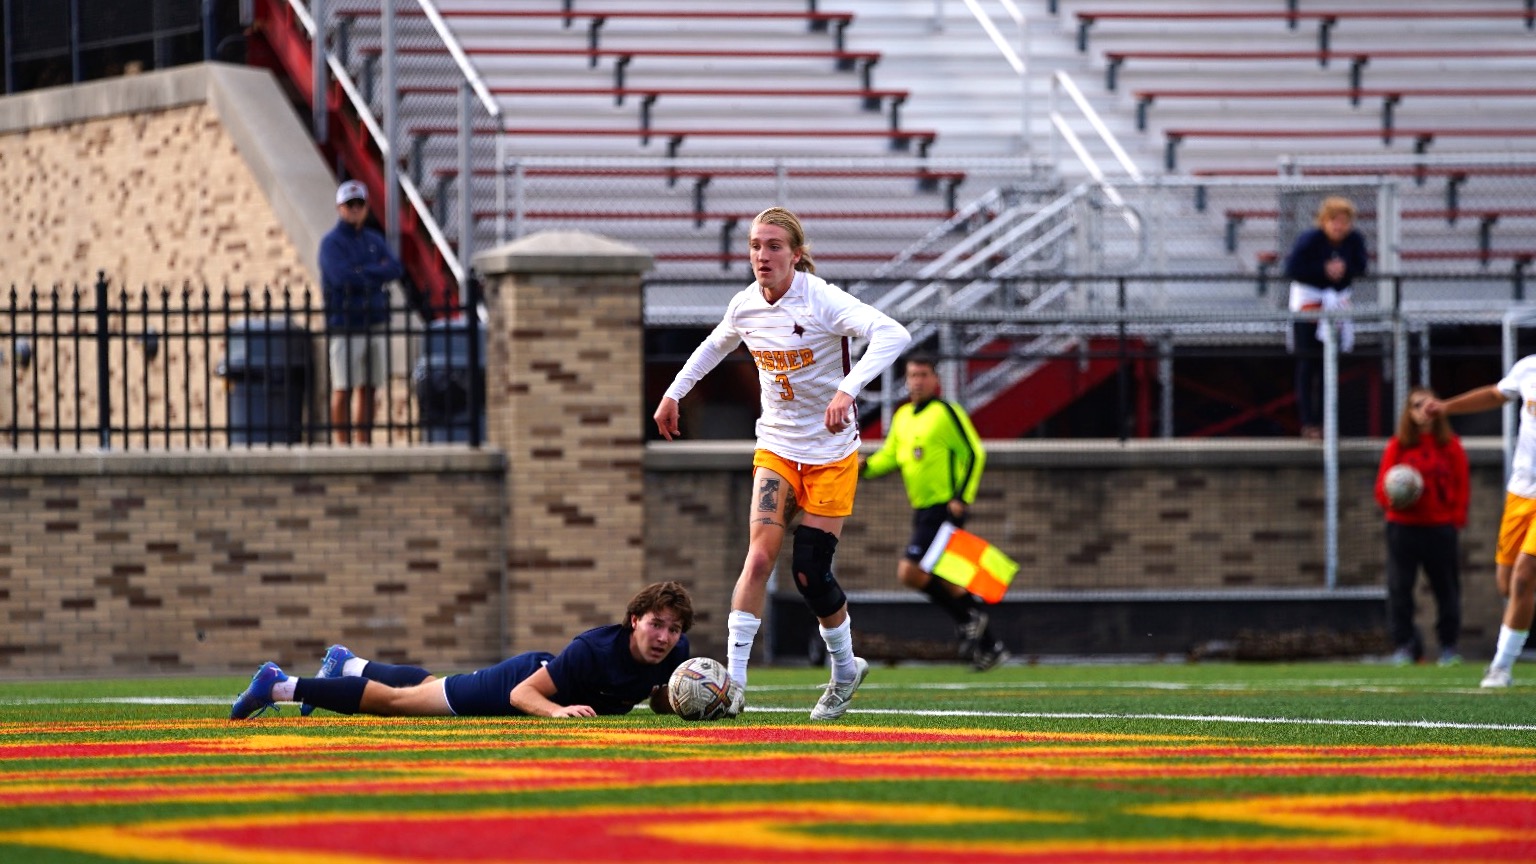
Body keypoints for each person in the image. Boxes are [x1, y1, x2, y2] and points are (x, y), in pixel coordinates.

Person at [652, 206, 911, 721]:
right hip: (777, 447)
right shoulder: (746, 305)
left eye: (773, 246)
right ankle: (735, 687)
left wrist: (846, 389)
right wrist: (672, 395)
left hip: (832, 453)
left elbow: (893, 335)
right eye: (755, 245)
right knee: (758, 558)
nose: (762, 256)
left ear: (796, 254)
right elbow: (712, 347)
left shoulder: (821, 299)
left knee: (810, 572)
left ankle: (843, 670)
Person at [229, 581, 721, 719]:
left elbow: (656, 695)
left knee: (426, 685)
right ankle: (278, 685)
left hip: (533, 683)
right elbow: (522, 698)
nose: (665, 637)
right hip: (515, 684)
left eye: (674, 629)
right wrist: (556, 713)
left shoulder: (678, 654)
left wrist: (680, 698)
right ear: (634, 620)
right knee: (402, 704)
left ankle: (348, 664)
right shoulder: (592, 649)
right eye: (656, 624)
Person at [861, 354, 1007, 671]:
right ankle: (989, 644)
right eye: (913, 375)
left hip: (944, 507)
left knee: (910, 571)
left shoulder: (946, 412)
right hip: (921, 508)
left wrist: (961, 498)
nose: (917, 381)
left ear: (936, 379)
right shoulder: (902, 416)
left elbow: (973, 453)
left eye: (924, 374)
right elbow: (891, 455)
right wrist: (865, 469)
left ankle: (970, 618)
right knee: (945, 575)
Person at [1424, 365, 1536, 688]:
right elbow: (1494, 394)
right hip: (1520, 494)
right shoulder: (1529, 367)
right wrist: (1446, 407)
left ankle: (1500, 667)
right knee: (1507, 584)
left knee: (1524, 576)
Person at [1374, 386, 1469, 667]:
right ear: (1409, 412)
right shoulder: (1398, 446)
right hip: (1403, 528)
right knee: (1400, 588)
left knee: (1446, 589)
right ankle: (1405, 646)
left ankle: (1449, 647)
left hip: (1440, 528)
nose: (1424, 411)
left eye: (1430, 405)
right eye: (1417, 405)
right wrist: (1393, 501)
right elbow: (1382, 487)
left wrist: (1455, 519)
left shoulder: (1450, 446)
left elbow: (1462, 486)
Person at [319, 179, 403, 445]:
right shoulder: (331, 243)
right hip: (346, 323)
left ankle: (363, 441)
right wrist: (373, 271)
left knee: (370, 388)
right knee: (343, 388)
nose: (355, 209)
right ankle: (342, 445)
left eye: (360, 204)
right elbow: (340, 277)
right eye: (349, 204)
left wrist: (362, 272)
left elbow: (395, 268)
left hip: (374, 321)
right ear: (339, 208)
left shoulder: (374, 239)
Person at [1284, 196, 1368, 440]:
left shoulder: (1354, 241)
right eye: (1334, 221)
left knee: (1329, 366)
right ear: (1323, 221)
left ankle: (1327, 421)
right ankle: (1309, 422)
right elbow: (1293, 269)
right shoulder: (1310, 240)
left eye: (1344, 221)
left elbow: (1361, 267)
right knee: (1308, 364)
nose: (1338, 227)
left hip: (1336, 305)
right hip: (1309, 305)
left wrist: (1344, 270)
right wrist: (1323, 270)